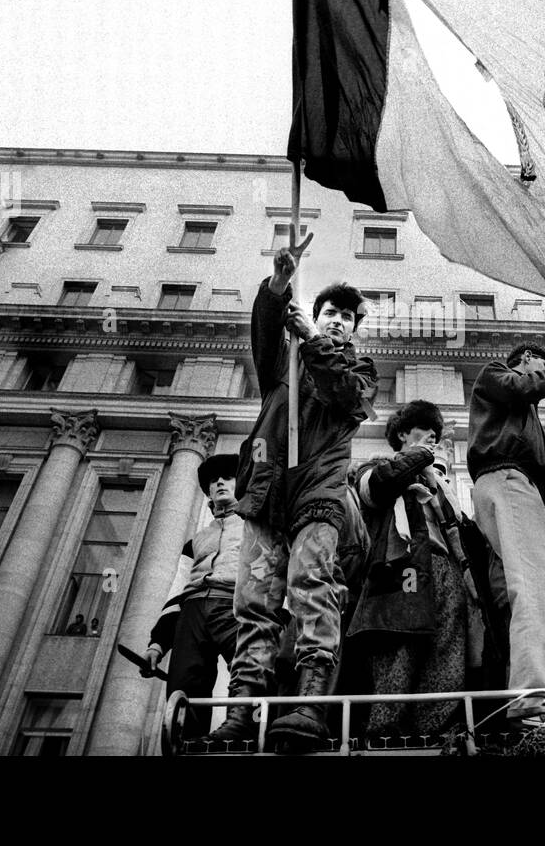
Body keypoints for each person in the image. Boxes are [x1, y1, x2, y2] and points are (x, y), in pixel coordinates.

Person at [208, 239, 377, 752]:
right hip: (266, 488)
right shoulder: (283, 363)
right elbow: (264, 330)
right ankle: (242, 707)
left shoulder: (358, 372)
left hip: (319, 490)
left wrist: (311, 340)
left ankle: (310, 702)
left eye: (348, 317)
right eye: (330, 312)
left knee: (311, 582)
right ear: (317, 312)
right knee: (255, 599)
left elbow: (344, 395)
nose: (338, 321)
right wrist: (279, 286)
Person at [467, 342, 545, 726]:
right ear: (526, 361)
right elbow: (521, 388)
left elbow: (542, 465)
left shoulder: (526, 415)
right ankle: (532, 694)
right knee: (533, 587)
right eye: (542, 362)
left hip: (521, 485)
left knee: (543, 589)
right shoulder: (497, 373)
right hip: (506, 477)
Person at [348, 400, 472, 739]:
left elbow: (458, 528)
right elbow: (373, 490)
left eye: (437, 433)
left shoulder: (440, 484)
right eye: (425, 430)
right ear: (402, 433)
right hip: (401, 564)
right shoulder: (375, 466)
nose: (433, 437)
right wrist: (419, 457)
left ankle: (437, 731)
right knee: (398, 642)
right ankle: (386, 732)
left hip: (445, 566)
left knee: (448, 649)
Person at [143, 453, 243, 740]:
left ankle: (241, 732)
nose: (221, 482)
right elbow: (177, 593)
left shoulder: (257, 528)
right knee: (184, 681)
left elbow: (273, 572)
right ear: (209, 495)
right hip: (193, 610)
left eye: (228, 477)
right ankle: (187, 744)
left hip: (235, 606)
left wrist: (281, 617)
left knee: (250, 669)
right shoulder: (194, 542)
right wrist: (157, 645)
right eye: (214, 480)